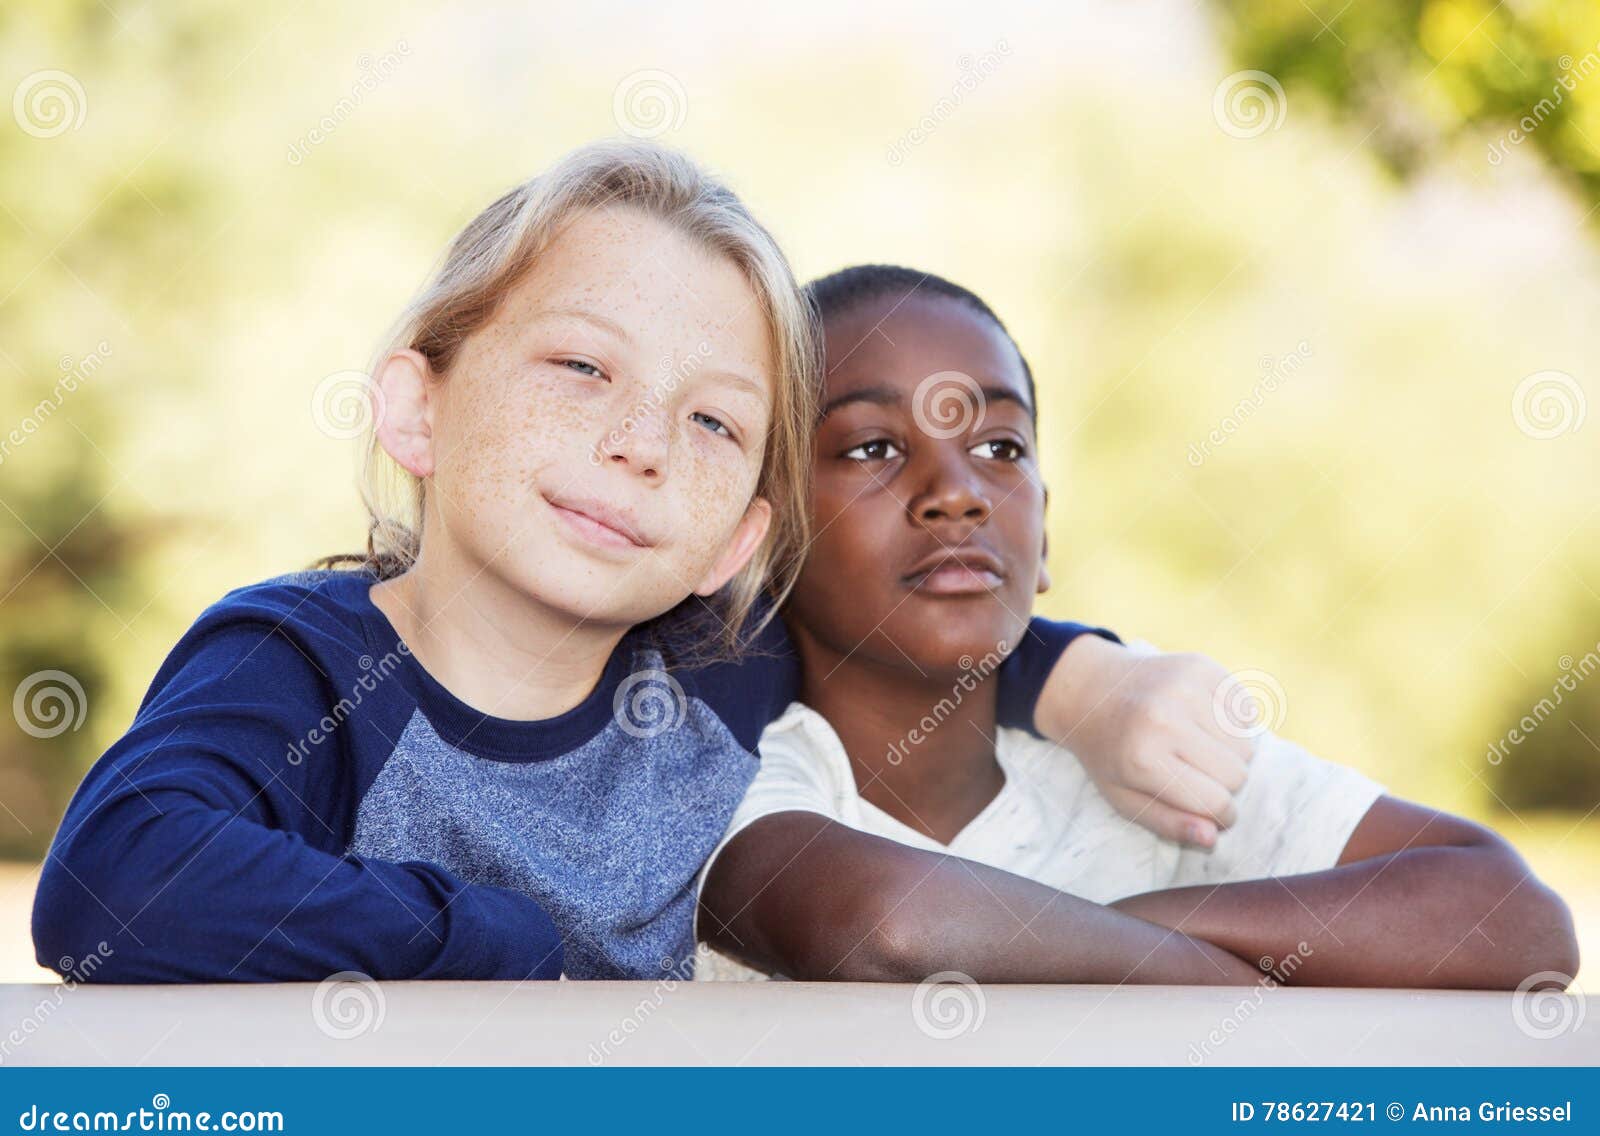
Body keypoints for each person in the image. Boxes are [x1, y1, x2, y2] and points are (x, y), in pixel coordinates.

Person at [32, 149, 1239, 984]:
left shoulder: (720, 672)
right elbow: (121, 876)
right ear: (416, 408)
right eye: (581, 368)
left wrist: (1090, 684)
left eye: (712, 420)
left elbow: (899, 623)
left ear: (738, 541)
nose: (641, 442)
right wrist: (504, 941)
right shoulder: (305, 664)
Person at [696, 264, 1579, 988]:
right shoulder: (723, 765)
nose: (957, 493)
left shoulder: (1139, 745)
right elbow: (884, 923)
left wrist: (1142, 929)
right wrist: (1218, 977)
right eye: (872, 448)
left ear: (1045, 531)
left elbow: (1516, 917)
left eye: (1000, 448)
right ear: (760, 531)